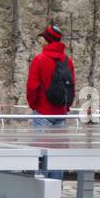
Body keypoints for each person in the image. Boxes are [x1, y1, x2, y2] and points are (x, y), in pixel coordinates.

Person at [27, 24, 74, 180]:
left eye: (43, 38)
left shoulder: (39, 59)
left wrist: (34, 106)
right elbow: (72, 85)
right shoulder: (68, 61)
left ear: (47, 40)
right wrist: (66, 107)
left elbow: (32, 86)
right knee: (57, 153)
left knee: (40, 152)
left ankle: (41, 189)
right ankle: (56, 187)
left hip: (43, 113)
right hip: (61, 113)